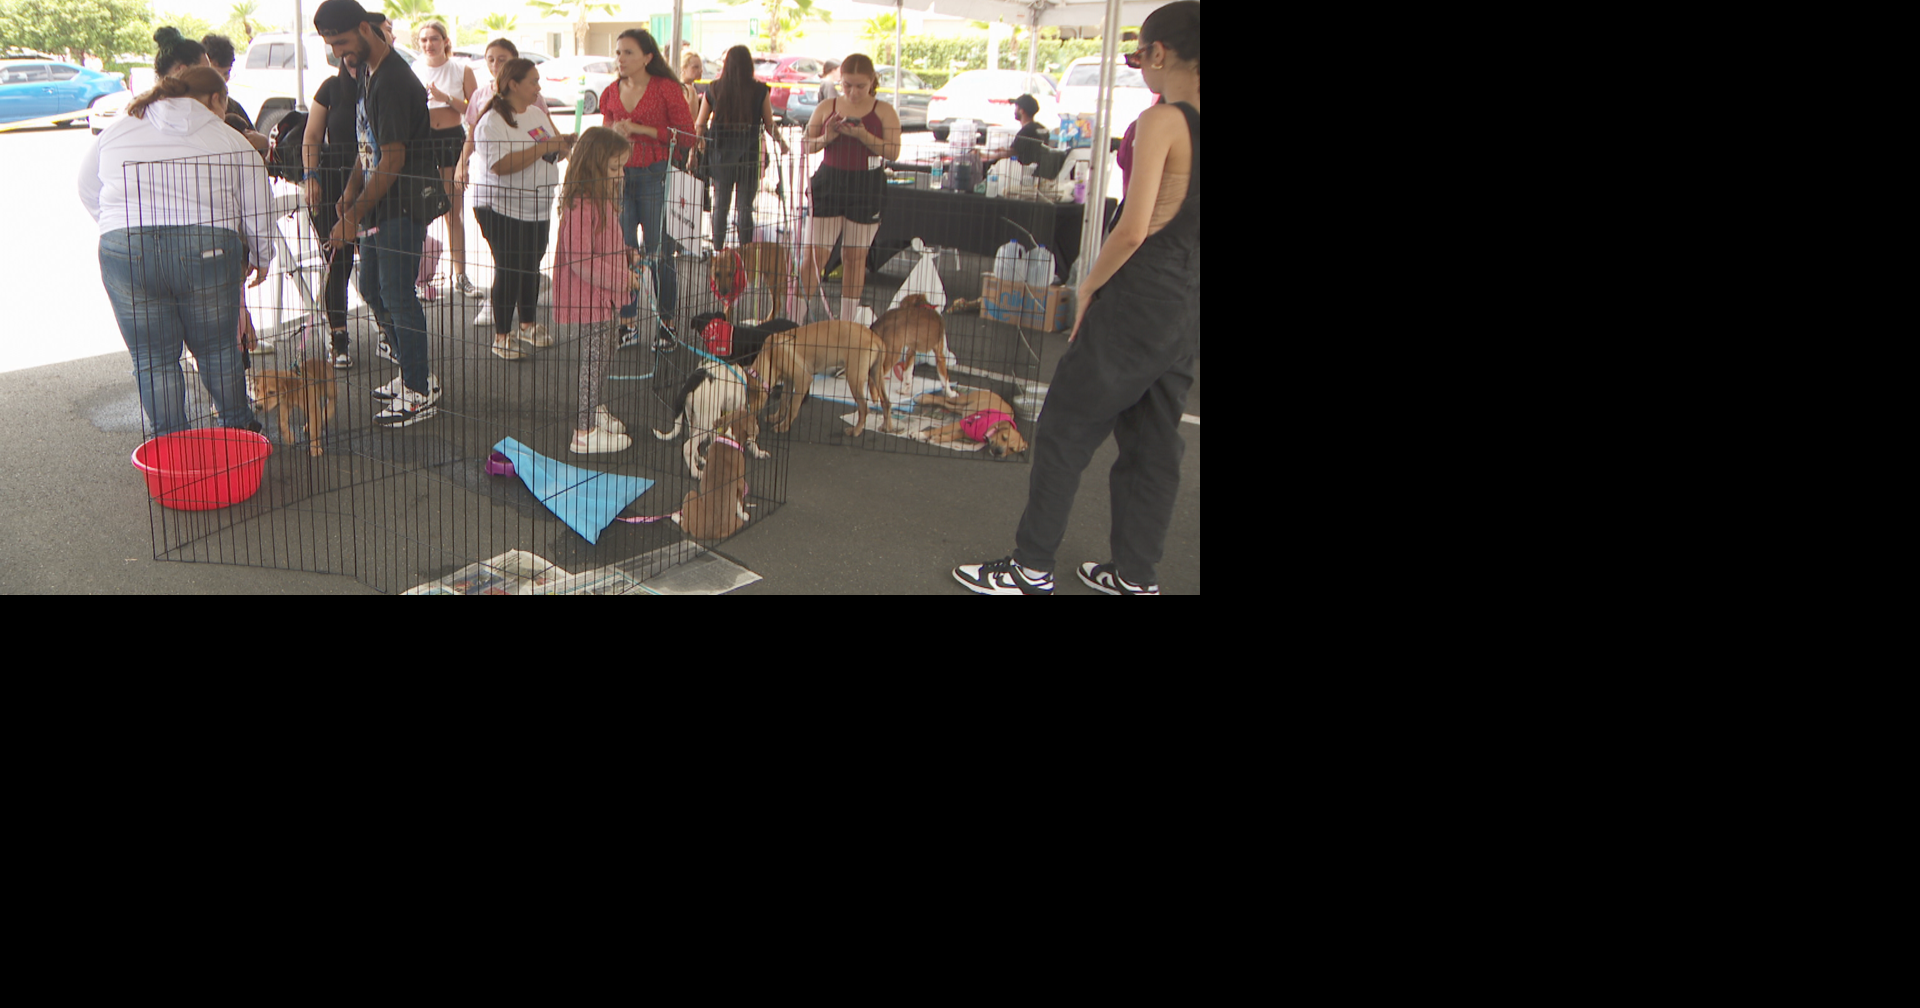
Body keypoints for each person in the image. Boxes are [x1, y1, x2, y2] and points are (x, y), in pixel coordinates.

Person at [952, 1, 1200, 597]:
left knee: (1066, 425)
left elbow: (1134, 227)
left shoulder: (1165, 120)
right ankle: (1135, 575)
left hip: (1140, 294)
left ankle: (1031, 565)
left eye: (1139, 55)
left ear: (1158, 54)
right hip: (1187, 305)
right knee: (1154, 441)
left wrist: (1088, 285)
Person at [79, 66, 272, 437]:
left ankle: (171, 442)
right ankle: (239, 429)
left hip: (125, 247)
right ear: (217, 99)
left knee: (152, 359)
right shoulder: (231, 139)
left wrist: (120, 231)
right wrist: (262, 258)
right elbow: (258, 209)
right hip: (208, 249)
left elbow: (88, 189)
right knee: (217, 350)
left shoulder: (117, 130)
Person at [315, 0, 441, 428]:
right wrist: (350, 192)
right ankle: (412, 371)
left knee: (396, 293)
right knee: (371, 286)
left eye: (342, 41)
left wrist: (353, 215)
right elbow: (366, 145)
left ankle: (420, 390)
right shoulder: (366, 71)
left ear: (365, 30)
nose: (337, 52)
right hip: (375, 204)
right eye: (330, 45)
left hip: (401, 206)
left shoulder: (392, 79)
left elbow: (392, 158)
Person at [597, 28, 693, 352]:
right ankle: (628, 323)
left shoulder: (666, 88)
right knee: (622, 253)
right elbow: (604, 135)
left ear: (647, 57)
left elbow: (688, 136)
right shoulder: (611, 91)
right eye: (618, 52)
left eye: (628, 52)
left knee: (660, 253)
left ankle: (667, 325)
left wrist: (639, 128)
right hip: (619, 178)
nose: (620, 58)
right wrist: (613, 131)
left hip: (656, 175)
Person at [471, 57, 572, 360]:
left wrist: (563, 145)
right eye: (533, 81)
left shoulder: (537, 112)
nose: (538, 87)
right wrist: (543, 148)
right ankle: (502, 335)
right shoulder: (491, 121)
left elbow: (557, 146)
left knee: (531, 265)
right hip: (500, 208)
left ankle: (527, 324)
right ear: (513, 84)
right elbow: (499, 165)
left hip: (537, 205)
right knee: (510, 268)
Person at [554, 127, 642, 454]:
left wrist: (628, 254)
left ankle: (593, 408)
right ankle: (584, 431)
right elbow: (581, 261)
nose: (621, 174)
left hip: (602, 296)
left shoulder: (602, 200)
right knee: (594, 359)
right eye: (615, 167)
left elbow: (606, 245)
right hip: (588, 297)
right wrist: (623, 279)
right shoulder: (581, 205)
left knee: (605, 353)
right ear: (594, 165)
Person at [798, 53, 899, 324]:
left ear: (872, 83)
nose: (853, 93)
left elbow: (894, 151)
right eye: (847, 85)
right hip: (830, 182)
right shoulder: (827, 106)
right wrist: (827, 136)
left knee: (854, 257)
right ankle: (794, 320)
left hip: (867, 186)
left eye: (860, 86)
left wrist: (863, 135)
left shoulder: (884, 110)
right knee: (814, 258)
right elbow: (805, 145)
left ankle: (846, 324)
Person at [302, 49, 361, 368]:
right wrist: (310, 176)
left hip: (375, 184)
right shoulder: (329, 88)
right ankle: (339, 339)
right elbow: (312, 136)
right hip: (332, 184)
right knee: (338, 264)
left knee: (379, 266)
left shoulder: (380, 84)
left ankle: (387, 332)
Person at [697, 45, 788, 250]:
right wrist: (782, 144)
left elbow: (700, 123)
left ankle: (718, 251)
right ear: (749, 65)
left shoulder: (714, 88)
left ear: (727, 64)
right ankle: (745, 253)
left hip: (720, 155)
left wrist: (695, 147)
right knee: (745, 208)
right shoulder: (759, 90)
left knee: (720, 205)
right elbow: (769, 123)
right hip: (748, 154)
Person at [455, 37, 518, 327]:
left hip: (517, 180)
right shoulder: (480, 95)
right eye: (490, 58)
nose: (495, 64)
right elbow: (470, 135)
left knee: (513, 248)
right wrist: (461, 164)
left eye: (501, 58)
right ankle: (503, 297)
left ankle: (505, 302)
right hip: (484, 182)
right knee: (497, 246)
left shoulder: (528, 93)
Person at [413, 20, 479, 298]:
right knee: (421, 211)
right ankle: (420, 277)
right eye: (424, 39)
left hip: (452, 140)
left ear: (445, 41)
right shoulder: (414, 69)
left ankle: (460, 273)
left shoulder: (460, 69)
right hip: (423, 141)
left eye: (434, 39)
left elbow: (473, 109)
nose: (429, 44)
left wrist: (444, 97)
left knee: (454, 211)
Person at [989, 93, 1052, 167]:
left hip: (1024, 171)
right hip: (1038, 169)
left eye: (1016, 107)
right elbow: (1022, 149)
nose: (1015, 111)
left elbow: (1012, 152)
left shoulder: (1026, 132)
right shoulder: (1042, 128)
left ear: (1022, 111)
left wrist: (987, 156)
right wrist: (1005, 150)